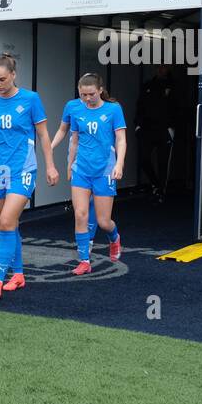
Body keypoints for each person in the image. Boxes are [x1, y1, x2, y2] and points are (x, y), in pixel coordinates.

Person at [0, 55, 58, 298]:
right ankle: (18, 274)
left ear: (13, 75)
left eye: (2, 79)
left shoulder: (30, 99)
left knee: (5, 221)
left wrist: (50, 166)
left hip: (23, 169)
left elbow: (43, 136)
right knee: (10, 224)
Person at [54, 73, 127, 275]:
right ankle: (84, 261)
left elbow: (121, 139)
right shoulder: (77, 110)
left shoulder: (113, 109)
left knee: (104, 221)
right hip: (82, 170)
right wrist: (69, 165)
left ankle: (114, 238)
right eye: (83, 94)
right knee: (80, 215)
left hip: (104, 170)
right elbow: (74, 141)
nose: (87, 98)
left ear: (100, 90)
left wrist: (119, 164)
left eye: (91, 94)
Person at [135, 62, 178, 201]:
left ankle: (161, 192)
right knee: (143, 159)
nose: (160, 69)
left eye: (164, 66)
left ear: (169, 68)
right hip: (147, 129)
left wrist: (172, 126)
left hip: (165, 129)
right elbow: (140, 105)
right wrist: (138, 125)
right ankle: (155, 184)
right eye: (158, 66)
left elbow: (179, 107)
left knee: (163, 162)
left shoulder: (174, 86)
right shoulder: (148, 85)